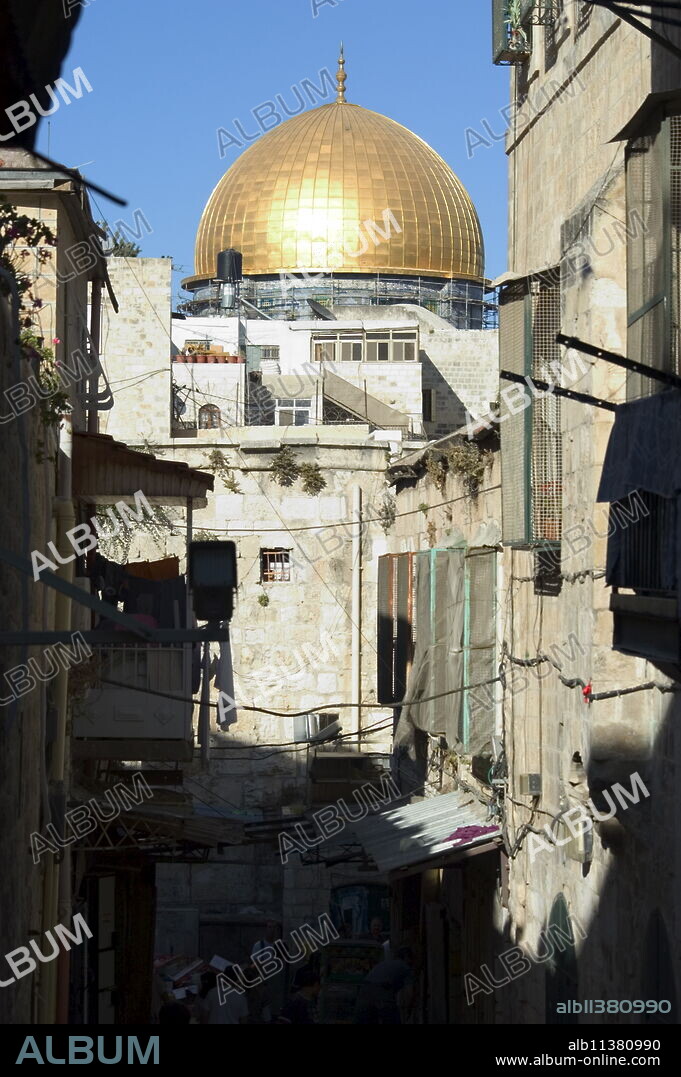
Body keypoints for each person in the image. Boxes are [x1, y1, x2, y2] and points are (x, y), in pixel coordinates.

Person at [353, 947, 414, 1025]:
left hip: (364, 991)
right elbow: (410, 992)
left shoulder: (384, 963)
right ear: (406, 957)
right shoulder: (405, 967)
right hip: (382, 993)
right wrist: (409, 1008)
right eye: (411, 959)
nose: (412, 962)